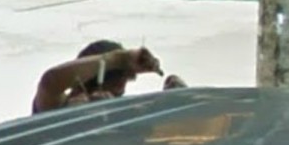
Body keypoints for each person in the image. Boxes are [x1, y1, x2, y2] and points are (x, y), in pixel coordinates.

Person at [31, 40, 187, 114]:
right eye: (112, 92)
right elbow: (50, 81)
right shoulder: (55, 110)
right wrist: (119, 60)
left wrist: (174, 101)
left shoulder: (121, 113)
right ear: (80, 86)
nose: (112, 98)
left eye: (119, 95)